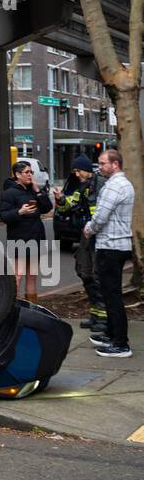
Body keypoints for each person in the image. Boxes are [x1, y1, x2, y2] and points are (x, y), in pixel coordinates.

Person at [84, 148, 133, 358]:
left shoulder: (114, 186)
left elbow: (101, 215)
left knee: (112, 296)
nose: (99, 166)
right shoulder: (122, 184)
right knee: (110, 293)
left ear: (115, 164)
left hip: (111, 247)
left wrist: (89, 228)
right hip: (117, 246)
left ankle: (121, 344)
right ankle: (112, 335)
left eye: (103, 163)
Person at [52, 155, 106, 335]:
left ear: (87, 169)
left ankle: (104, 317)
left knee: (98, 275)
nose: (76, 174)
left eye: (78, 170)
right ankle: (96, 314)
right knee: (84, 270)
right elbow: (68, 204)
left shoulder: (101, 184)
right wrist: (60, 199)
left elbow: (102, 212)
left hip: (99, 237)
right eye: (74, 171)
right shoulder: (82, 186)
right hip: (86, 236)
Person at [0, 160, 52, 302]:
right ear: (17, 174)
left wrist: (37, 190)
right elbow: (3, 216)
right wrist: (19, 212)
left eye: (31, 172)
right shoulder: (9, 193)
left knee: (32, 276)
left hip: (36, 237)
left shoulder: (33, 190)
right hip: (19, 239)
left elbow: (47, 207)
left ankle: (32, 306)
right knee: (18, 275)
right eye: (27, 172)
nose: (30, 175)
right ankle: (12, 306)